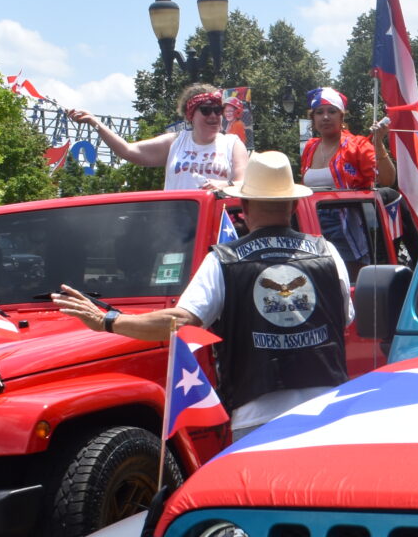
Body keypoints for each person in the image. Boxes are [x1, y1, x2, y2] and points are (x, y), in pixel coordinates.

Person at [52, 150, 353, 439]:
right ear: (293, 206)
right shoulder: (326, 251)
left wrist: (109, 321)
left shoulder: (224, 260)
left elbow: (181, 323)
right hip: (328, 409)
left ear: (244, 206)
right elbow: (344, 317)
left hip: (257, 419)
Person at [68, 84, 250, 193]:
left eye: (218, 110)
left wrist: (224, 185)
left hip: (217, 223)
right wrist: (95, 123)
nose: (213, 115)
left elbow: (244, 183)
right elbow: (128, 150)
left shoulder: (232, 144)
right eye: (206, 110)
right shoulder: (175, 142)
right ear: (191, 116)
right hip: (177, 226)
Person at [299, 88, 397, 192]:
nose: (325, 117)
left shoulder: (359, 145)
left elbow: (387, 181)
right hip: (312, 208)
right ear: (313, 118)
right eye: (319, 112)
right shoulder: (310, 147)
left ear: (341, 117)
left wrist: (378, 144)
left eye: (332, 111)